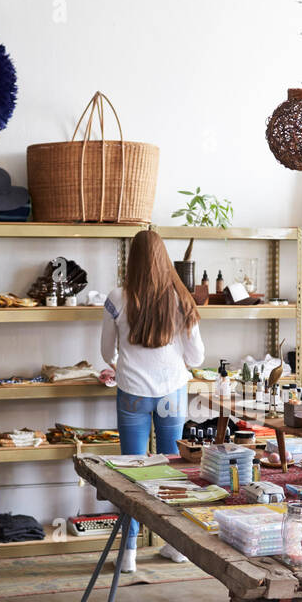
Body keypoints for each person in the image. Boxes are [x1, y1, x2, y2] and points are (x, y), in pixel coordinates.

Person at [101, 228, 205, 572]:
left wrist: (126, 363)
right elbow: (198, 357)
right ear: (163, 259)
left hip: (132, 392)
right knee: (172, 472)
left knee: (131, 473)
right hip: (172, 393)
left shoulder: (117, 297)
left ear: (132, 260)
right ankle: (176, 547)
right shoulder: (181, 298)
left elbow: (105, 353)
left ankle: (128, 553)